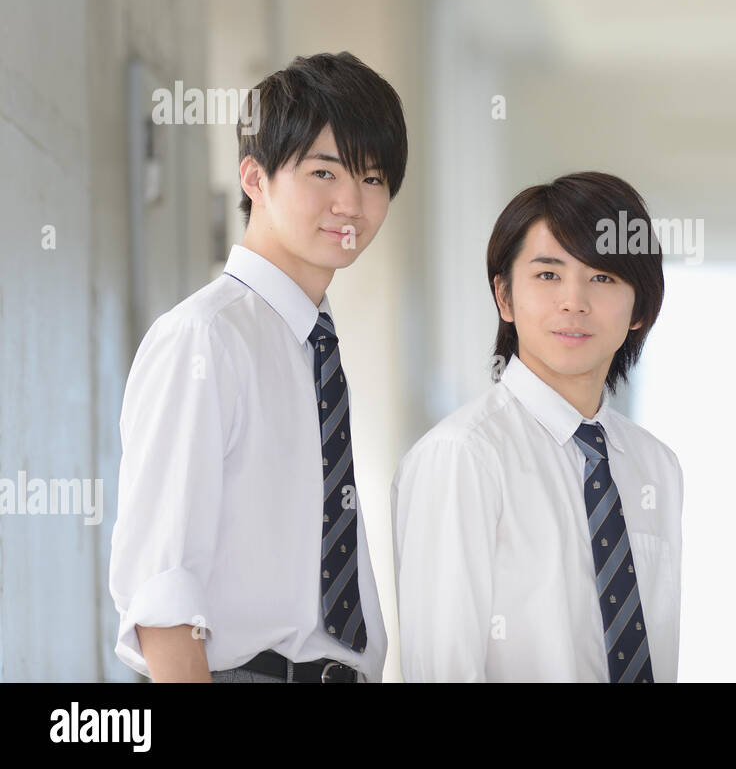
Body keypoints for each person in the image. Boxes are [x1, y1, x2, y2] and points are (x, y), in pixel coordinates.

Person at [108, 51, 408, 683]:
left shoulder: (311, 347)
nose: (351, 204)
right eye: (324, 172)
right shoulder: (205, 338)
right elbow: (162, 594)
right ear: (255, 178)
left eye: (374, 179)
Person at [392, 171, 684, 681]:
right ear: (505, 297)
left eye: (603, 277)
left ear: (639, 306)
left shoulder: (655, 466)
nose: (574, 301)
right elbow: (442, 666)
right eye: (548, 275)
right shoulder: (464, 455)